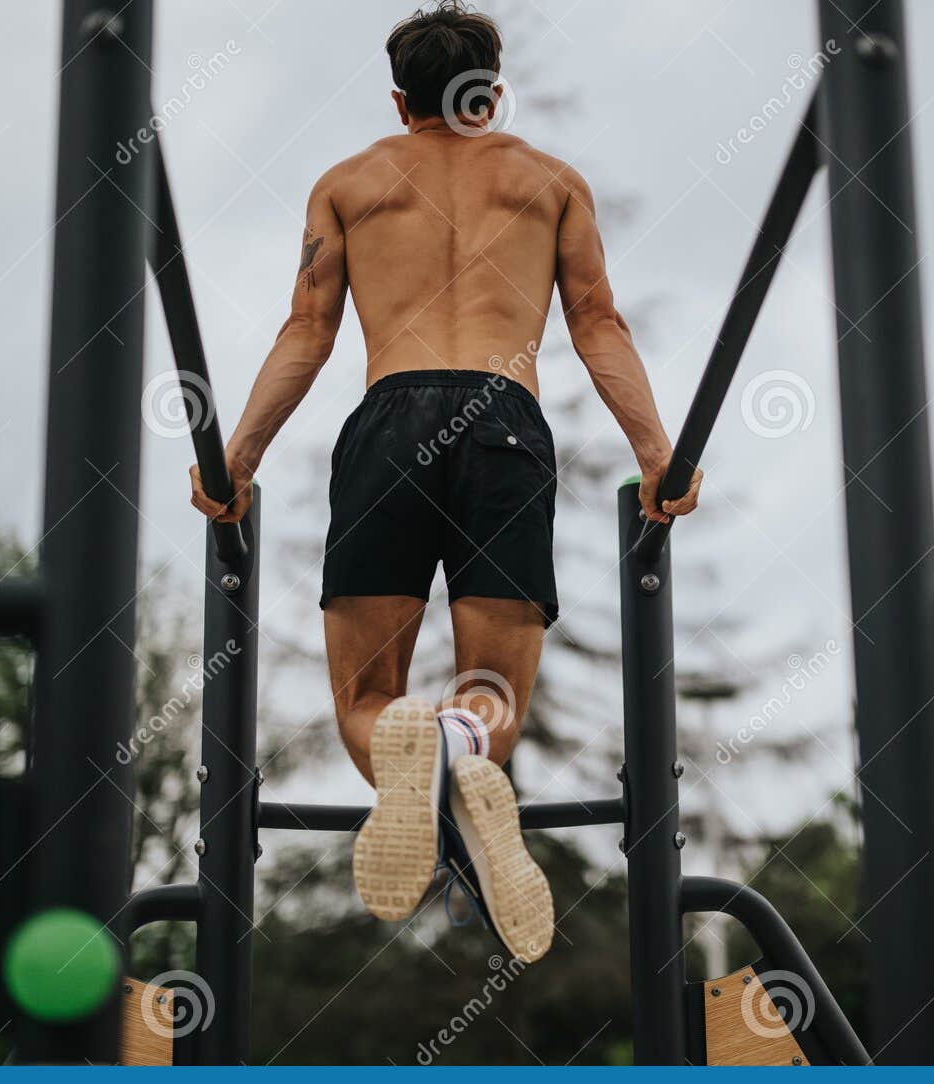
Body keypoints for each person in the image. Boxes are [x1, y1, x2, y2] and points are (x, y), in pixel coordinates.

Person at [189, 1, 701, 963]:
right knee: (492, 695)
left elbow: (308, 331)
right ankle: (462, 747)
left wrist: (237, 459)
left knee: (366, 700)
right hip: (505, 425)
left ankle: (412, 743)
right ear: (492, 90)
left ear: (399, 98)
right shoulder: (549, 183)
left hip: (390, 420)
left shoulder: (348, 184)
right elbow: (598, 323)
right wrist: (656, 454)